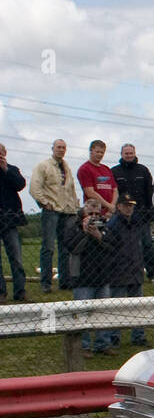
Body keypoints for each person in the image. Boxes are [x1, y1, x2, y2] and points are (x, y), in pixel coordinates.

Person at [31, 140, 80, 292]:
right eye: (58, 147)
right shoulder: (43, 166)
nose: (61, 150)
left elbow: (70, 190)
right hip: (51, 211)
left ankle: (64, 282)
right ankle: (46, 283)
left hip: (67, 212)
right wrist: (45, 203)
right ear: (52, 149)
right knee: (48, 247)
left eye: (64, 147)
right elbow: (34, 187)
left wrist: (75, 207)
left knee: (65, 248)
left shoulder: (66, 168)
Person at [66, 202, 115, 354]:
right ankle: (84, 345)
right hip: (82, 277)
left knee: (104, 312)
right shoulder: (73, 225)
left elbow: (113, 246)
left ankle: (103, 344)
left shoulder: (105, 226)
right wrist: (85, 232)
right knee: (82, 313)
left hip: (102, 275)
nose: (94, 217)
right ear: (84, 212)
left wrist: (99, 236)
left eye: (96, 214)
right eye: (90, 214)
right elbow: (73, 247)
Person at [102, 195, 149, 348]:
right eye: (125, 205)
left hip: (135, 269)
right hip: (119, 270)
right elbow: (109, 247)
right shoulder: (113, 224)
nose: (129, 208)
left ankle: (138, 335)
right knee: (117, 306)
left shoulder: (136, 222)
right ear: (119, 207)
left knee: (138, 306)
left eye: (131, 205)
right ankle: (115, 336)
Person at [112, 143, 154, 286]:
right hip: (121, 217)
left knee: (147, 245)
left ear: (135, 153)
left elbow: (151, 191)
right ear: (122, 154)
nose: (129, 155)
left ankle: (153, 275)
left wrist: (153, 210)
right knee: (123, 246)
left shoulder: (143, 170)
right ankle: (125, 275)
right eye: (126, 153)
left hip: (141, 214)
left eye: (131, 153)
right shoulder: (115, 171)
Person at [0, 144, 28, 301]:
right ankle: (1, 292)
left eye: (1, 153)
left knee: (16, 258)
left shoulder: (12, 169)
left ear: (5, 153)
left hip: (10, 219)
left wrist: (6, 170)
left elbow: (20, 185)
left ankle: (20, 291)